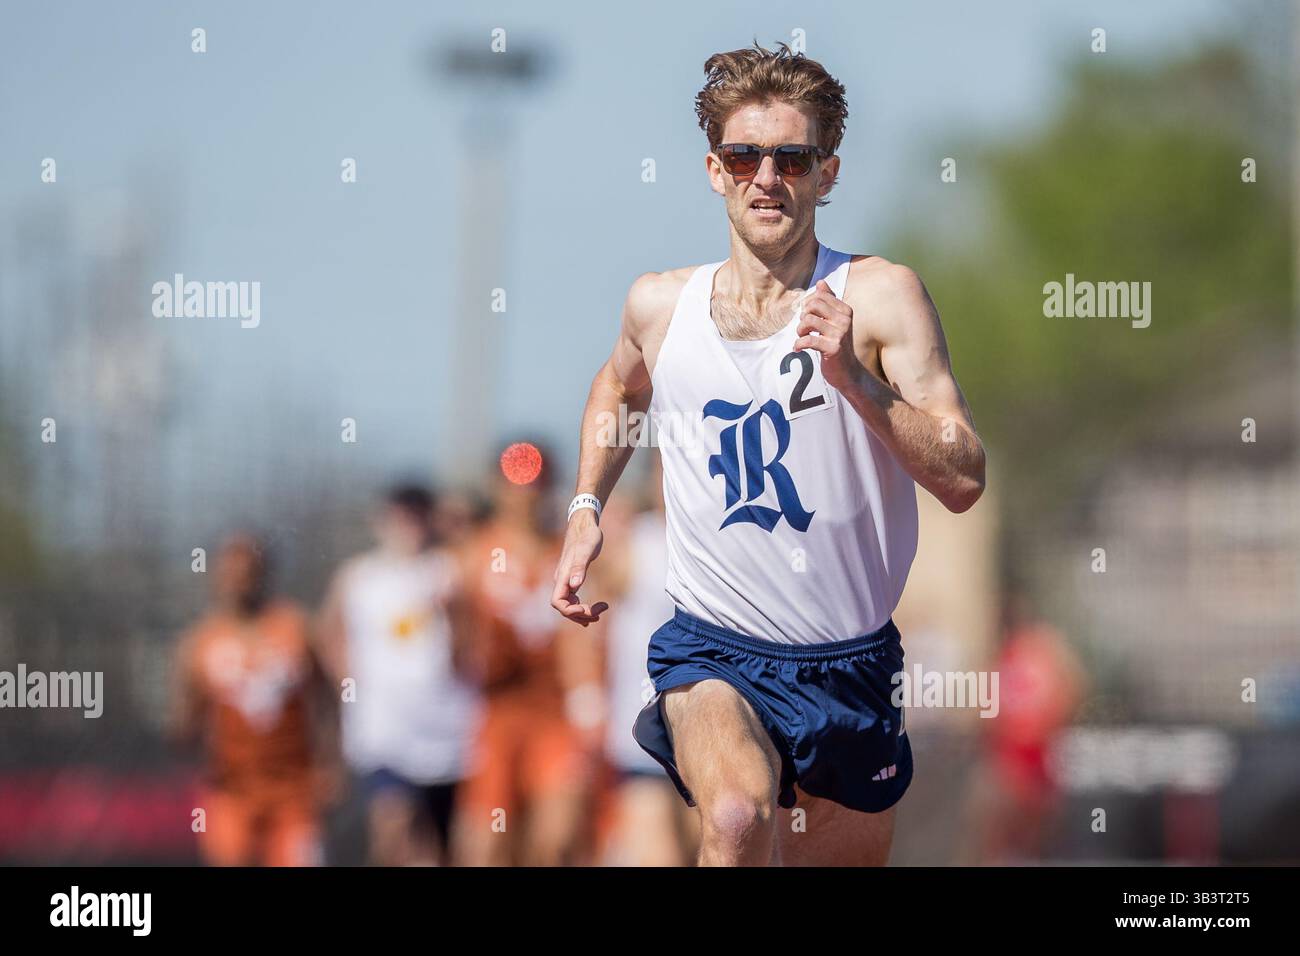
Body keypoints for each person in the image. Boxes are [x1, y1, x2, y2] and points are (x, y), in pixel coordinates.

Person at [551, 43, 986, 866]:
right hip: (714, 645)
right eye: (746, 156)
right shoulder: (659, 304)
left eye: (792, 157)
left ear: (827, 173)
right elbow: (619, 391)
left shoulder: (880, 295)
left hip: (850, 659)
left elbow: (964, 476)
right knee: (737, 817)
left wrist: (857, 380)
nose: (767, 177)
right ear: (715, 169)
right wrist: (584, 509)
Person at [318, 484, 478, 866]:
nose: (409, 527)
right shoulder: (358, 576)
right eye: (400, 517)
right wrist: (350, 684)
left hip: (447, 732)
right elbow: (328, 633)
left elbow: (472, 647)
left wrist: (453, 615)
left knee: (446, 846)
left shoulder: (450, 572)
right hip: (385, 730)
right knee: (393, 824)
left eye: (418, 516)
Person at [457, 444, 598, 866]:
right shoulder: (472, 555)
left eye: (536, 483)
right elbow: (458, 641)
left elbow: (585, 636)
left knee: (555, 840)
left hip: (554, 715)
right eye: (516, 484)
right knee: (488, 845)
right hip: (494, 714)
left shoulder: (566, 553)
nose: (526, 495)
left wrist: (590, 701)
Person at [172, 533, 334, 867]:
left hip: (294, 790)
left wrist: (331, 763)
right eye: (230, 574)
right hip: (231, 791)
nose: (238, 583)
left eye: (247, 573)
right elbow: (186, 719)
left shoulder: (295, 628)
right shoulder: (202, 642)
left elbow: (329, 698)